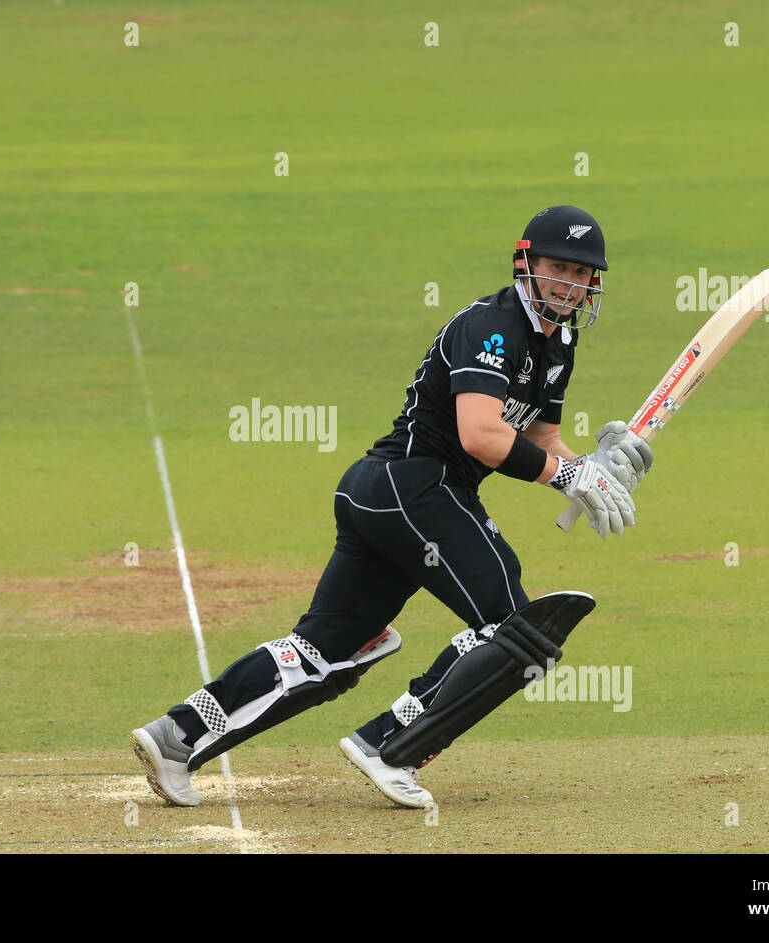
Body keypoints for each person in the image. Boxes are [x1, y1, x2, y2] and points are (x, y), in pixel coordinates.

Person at [131, 205, 652, 809]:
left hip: (386, 498)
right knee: (514, 628)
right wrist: (569, 475)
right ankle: (392, 744)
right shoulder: (494, 326)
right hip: (415, 487)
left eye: (582, 273)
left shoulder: (560, 341)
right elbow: (481, 435)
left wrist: (597, 469)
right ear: (527, 264)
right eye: (557, 267)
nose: (569, 283)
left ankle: (177, 736)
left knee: (329, 649)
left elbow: (540, 439)